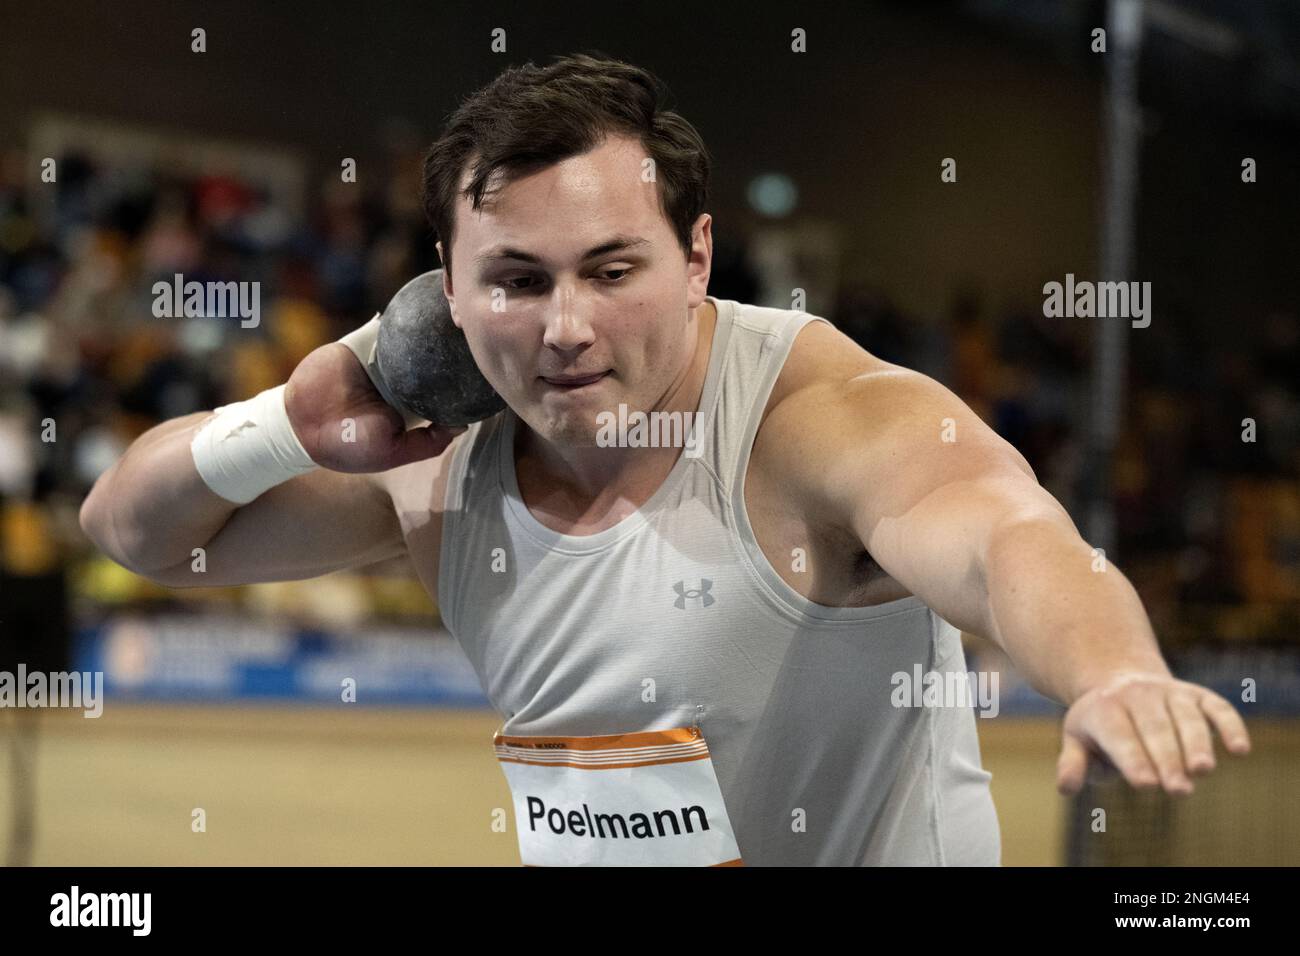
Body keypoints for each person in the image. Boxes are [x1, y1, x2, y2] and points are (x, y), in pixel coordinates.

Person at [79, 53, 1250, 866]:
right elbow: (135, 533)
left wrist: (1108, 671)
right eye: (517, 280)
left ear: (695, 256)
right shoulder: (439, 453)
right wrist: (286, 421)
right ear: (449, 286)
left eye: (611, 268)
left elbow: (1005, 538)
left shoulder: (816, 419)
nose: (566, 326)